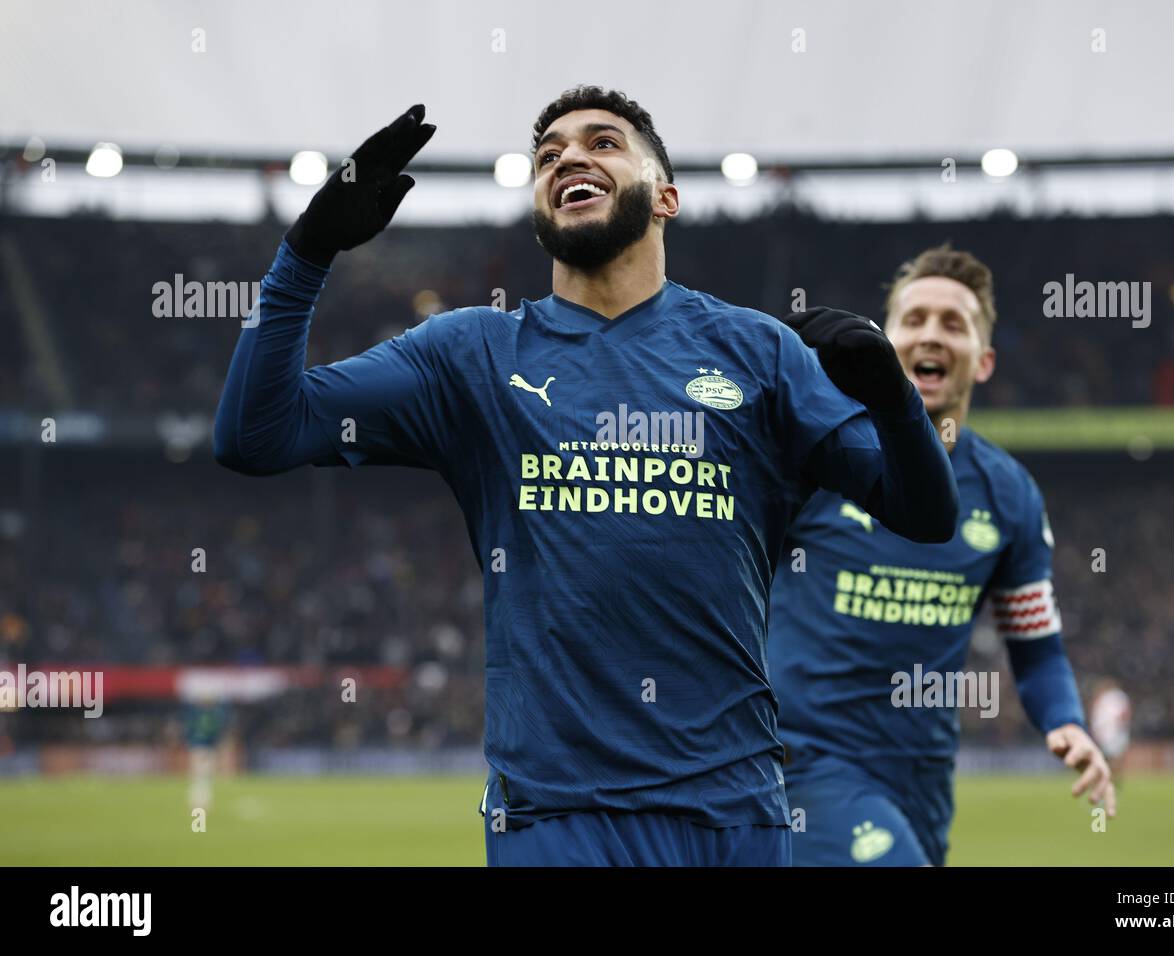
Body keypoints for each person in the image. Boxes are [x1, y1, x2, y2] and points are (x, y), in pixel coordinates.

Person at [213, 89, 958, 866]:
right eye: (547, 156)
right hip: (558, 821)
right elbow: (256, 434)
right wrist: (307, 252)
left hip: (737, 817)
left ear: (665, 195)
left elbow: (925, 513)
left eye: (602, 142)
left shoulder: (760, 354)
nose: (568, 156)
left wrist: (893, 397)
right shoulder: (471, 355)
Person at [768, 245, 1115, 866]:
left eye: (953, 324)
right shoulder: (821, 461)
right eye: (915, 319)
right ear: (886, 342)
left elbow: (1036, 649)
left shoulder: (1009, 494)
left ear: (983, 362)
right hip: (808, 764)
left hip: (923, 777)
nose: (932, 334)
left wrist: (1065, 720)